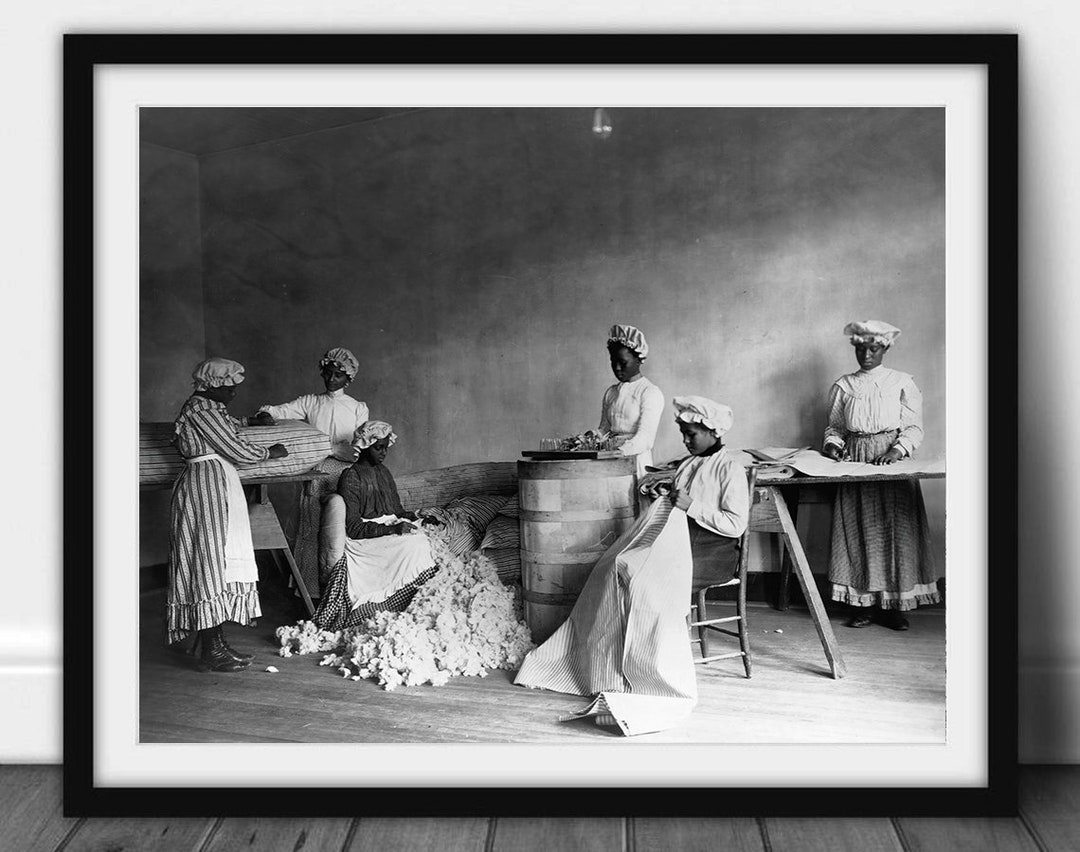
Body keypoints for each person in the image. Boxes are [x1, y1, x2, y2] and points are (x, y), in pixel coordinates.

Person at [515, 396, 749, 735]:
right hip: (678, 543)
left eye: (691, 434)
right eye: (683, 433)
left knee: (644, 582)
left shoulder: (730, 468)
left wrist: (691, 505)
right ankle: (608, 671)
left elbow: (735, 524)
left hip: (713, 551)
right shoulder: (687, 464)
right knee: (616, 566)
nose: (685, 440)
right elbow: (675, 504)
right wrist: (664, 492)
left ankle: (651, 676)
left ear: (713, 431)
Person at [167, 357, 289, 672]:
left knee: (218, 564)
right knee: (208, 564)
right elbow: (232, 446)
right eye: (230, 386)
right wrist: (267, 452)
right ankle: (210, 649)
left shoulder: (211, 409)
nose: (234, 392)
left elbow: (229, 426)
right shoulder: (201, 410)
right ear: (215, 385)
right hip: (204, 489)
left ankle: (215, 643)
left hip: (216, 485)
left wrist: (252, 422)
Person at [823, 320, 939, 631]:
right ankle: (865, 605)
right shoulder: (844, 386)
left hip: (889, 460)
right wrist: (834, 447)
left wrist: (896, 451)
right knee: (860, 530)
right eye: (861, 349)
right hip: (856, 460)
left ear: (885, 348)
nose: (867, 355)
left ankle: (894, 607)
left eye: (873, 348)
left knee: (893, 530)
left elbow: (914, 427)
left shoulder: (901, 382)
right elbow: (835, 427)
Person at [247, 347, 369, 598]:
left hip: (347, 475)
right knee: (311, 526)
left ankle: (344, 591)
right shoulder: (310, 402)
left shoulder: (358, 408)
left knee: (343, 527)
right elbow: (280, 411)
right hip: (315, 471)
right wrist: (266, 414)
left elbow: (360, 445)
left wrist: (351, 453)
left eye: (338, 375)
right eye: (328, 374)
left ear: (349, 378)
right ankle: (311, 591)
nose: (331, 380)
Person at [312, 421, 439, 631]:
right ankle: (384, 605)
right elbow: (353, 528)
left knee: (422, 539)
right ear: (364, 446)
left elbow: (397, 512)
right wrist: (394, 529)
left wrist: (418, 517)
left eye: (385, 448)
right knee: (412, 545)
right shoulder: (351, 477)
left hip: (388, 527)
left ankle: (417, 606)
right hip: (365, 538)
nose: (383, 453)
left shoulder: (384, 473)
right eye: (377, 448)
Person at [598, 324, 665, 477]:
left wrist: (620, 452)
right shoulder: (611, 392)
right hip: (609, 461)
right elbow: (604, 430)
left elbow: (645, 438)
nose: (617, 368)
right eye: (613, 362)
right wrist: (591, 437)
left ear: (638, 359)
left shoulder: (649, 392)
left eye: (623, 362)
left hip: (635, 461)